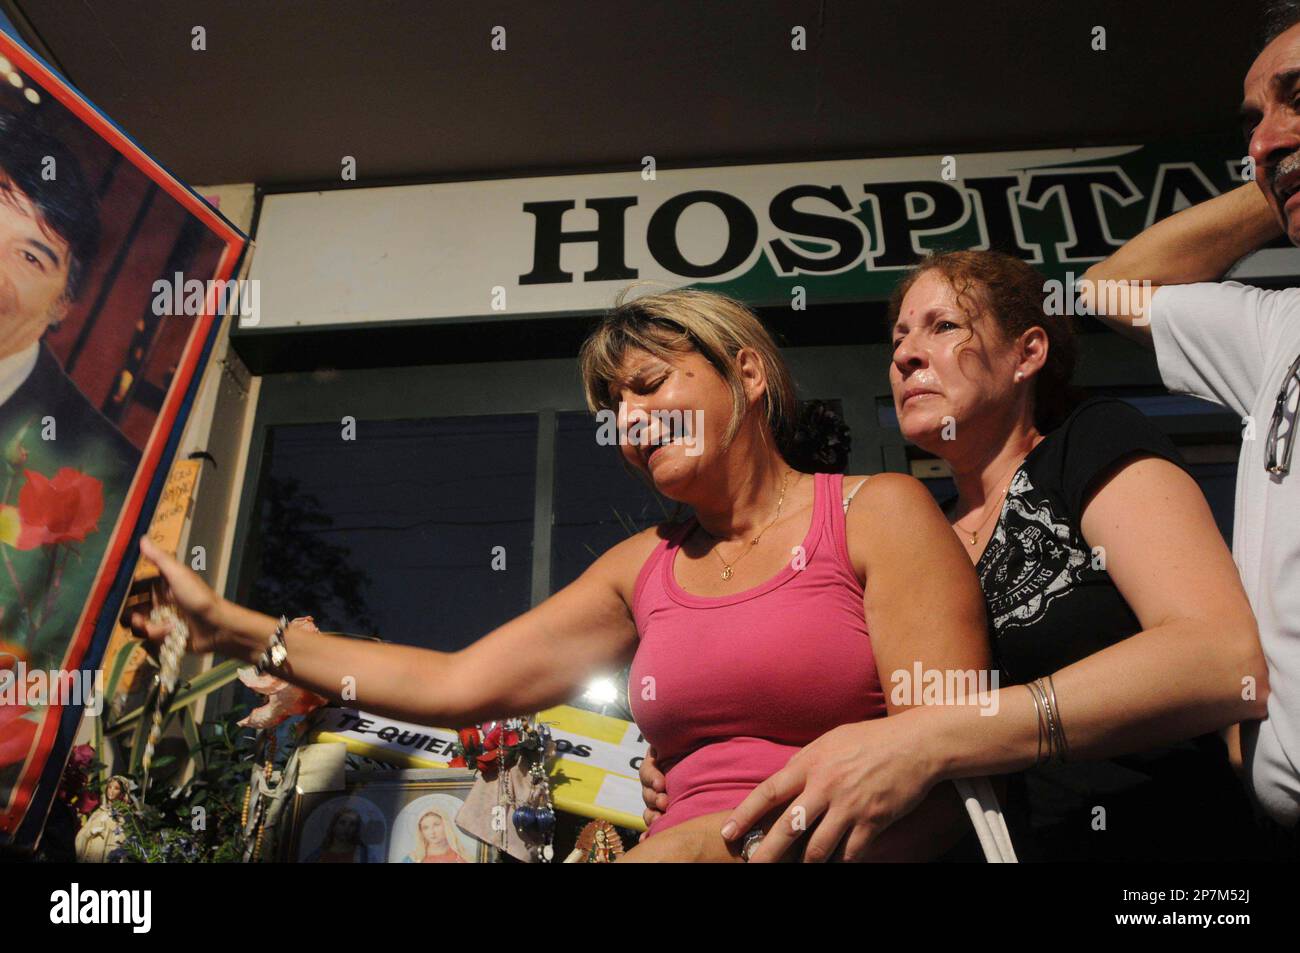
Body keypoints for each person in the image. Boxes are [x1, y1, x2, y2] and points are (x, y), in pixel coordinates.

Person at [129, 287, 992, 862]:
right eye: (615, 409)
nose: (630, 420)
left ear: (750, 373)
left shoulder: (877, 512)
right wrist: (235, 629)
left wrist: (710, 848)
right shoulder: (641, 568)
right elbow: (457, 680)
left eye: (651, 386)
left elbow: (944, 777)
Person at [642, 251, 1270, 861]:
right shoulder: (917, 531)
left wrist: (937, 738)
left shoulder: (1087, 443)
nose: (904, 354)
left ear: (1028, 353)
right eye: (898, 340)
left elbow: (1218, 656)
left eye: (943, 327)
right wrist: (687, 751)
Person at [1074, 4, 1300, 847]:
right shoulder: (1280, 329)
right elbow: (1111, 287)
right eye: (1255, 123)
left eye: (1298, 96)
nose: (1263, 139)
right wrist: (1277, 184)